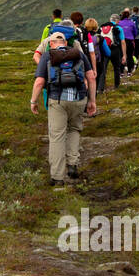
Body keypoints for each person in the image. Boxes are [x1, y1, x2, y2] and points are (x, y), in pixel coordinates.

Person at [30, 31, 97, 186]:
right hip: (79, 99)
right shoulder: (78, 54)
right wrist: (92, 101)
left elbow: (39, 81)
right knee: (74, 129)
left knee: (57, 136)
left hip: (57, 100)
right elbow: (91, 77)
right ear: (65, 43)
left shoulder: (47, 56)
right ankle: (72, 164)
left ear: (51, 44)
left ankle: (57, 177)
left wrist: (33, 101)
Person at [117, 9, 138, 76]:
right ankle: (129, 71)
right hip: (130, 41)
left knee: (121, 56)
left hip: (122, 41)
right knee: (130, 56)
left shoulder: (120, 23)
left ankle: (121, 72)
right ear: (129, 16)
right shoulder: (132, 23)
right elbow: (135, 32)